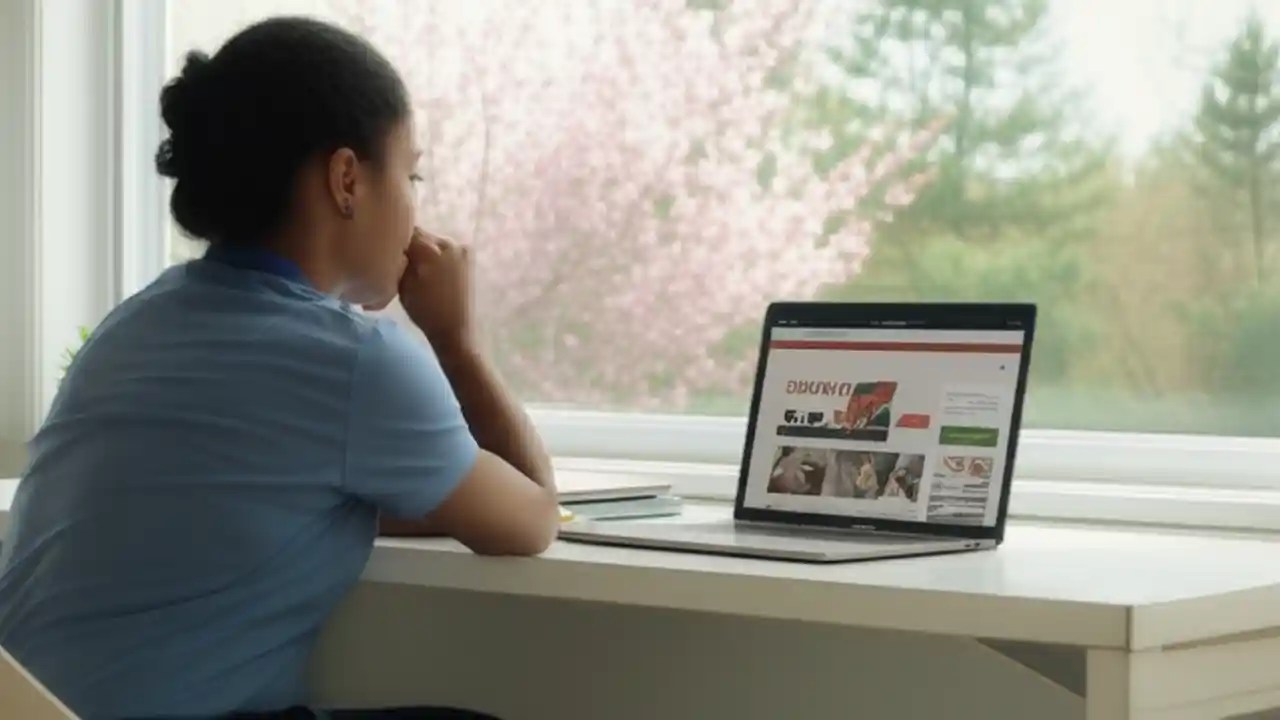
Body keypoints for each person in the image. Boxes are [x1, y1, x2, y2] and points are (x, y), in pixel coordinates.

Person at [0, 17, 560, 720]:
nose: (417, 209)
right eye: (411, 174)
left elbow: (250, 497)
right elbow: (534, 519)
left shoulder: (132, 327)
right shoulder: (357, 362)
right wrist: (457, 342)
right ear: (347, 179)